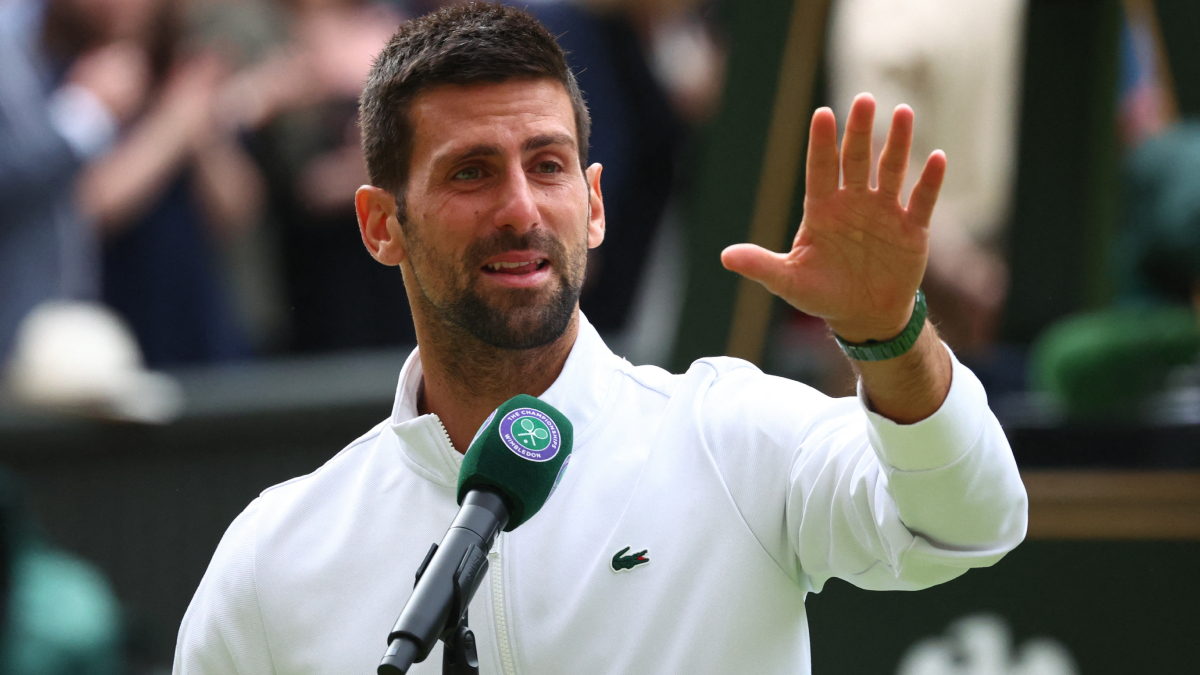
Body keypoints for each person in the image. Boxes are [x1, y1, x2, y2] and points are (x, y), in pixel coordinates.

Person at [173, 5, 1027, 674]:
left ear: (594, 204)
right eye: (471, 171)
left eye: (546, 165)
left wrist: (889, 338)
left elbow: (972, 517)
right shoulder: (274, 554)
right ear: (380, 224)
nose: (519, 208)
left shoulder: (729, 433)